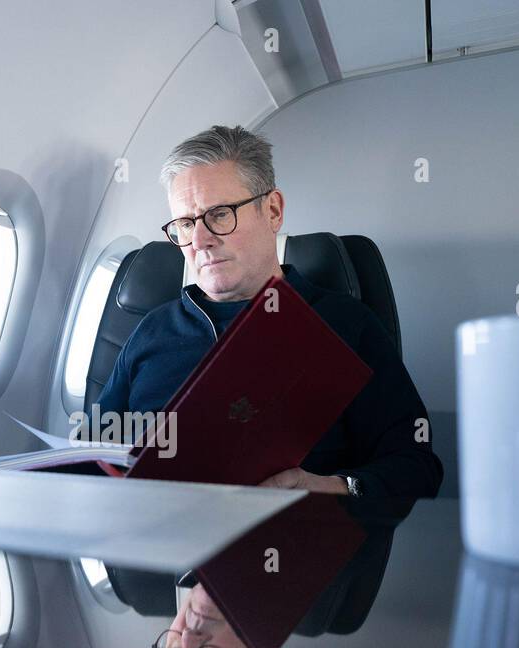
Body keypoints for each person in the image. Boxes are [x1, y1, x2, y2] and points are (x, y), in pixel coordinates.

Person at [95, 124, 443, 499]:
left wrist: (329, 487)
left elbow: (417, 466)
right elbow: (93, 450)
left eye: (219, 214)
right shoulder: (150, 331)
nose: (199, 241)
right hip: (153, 544)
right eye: (185, 223)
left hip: (289, 547)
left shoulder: (344, 326)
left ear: (273, 211)